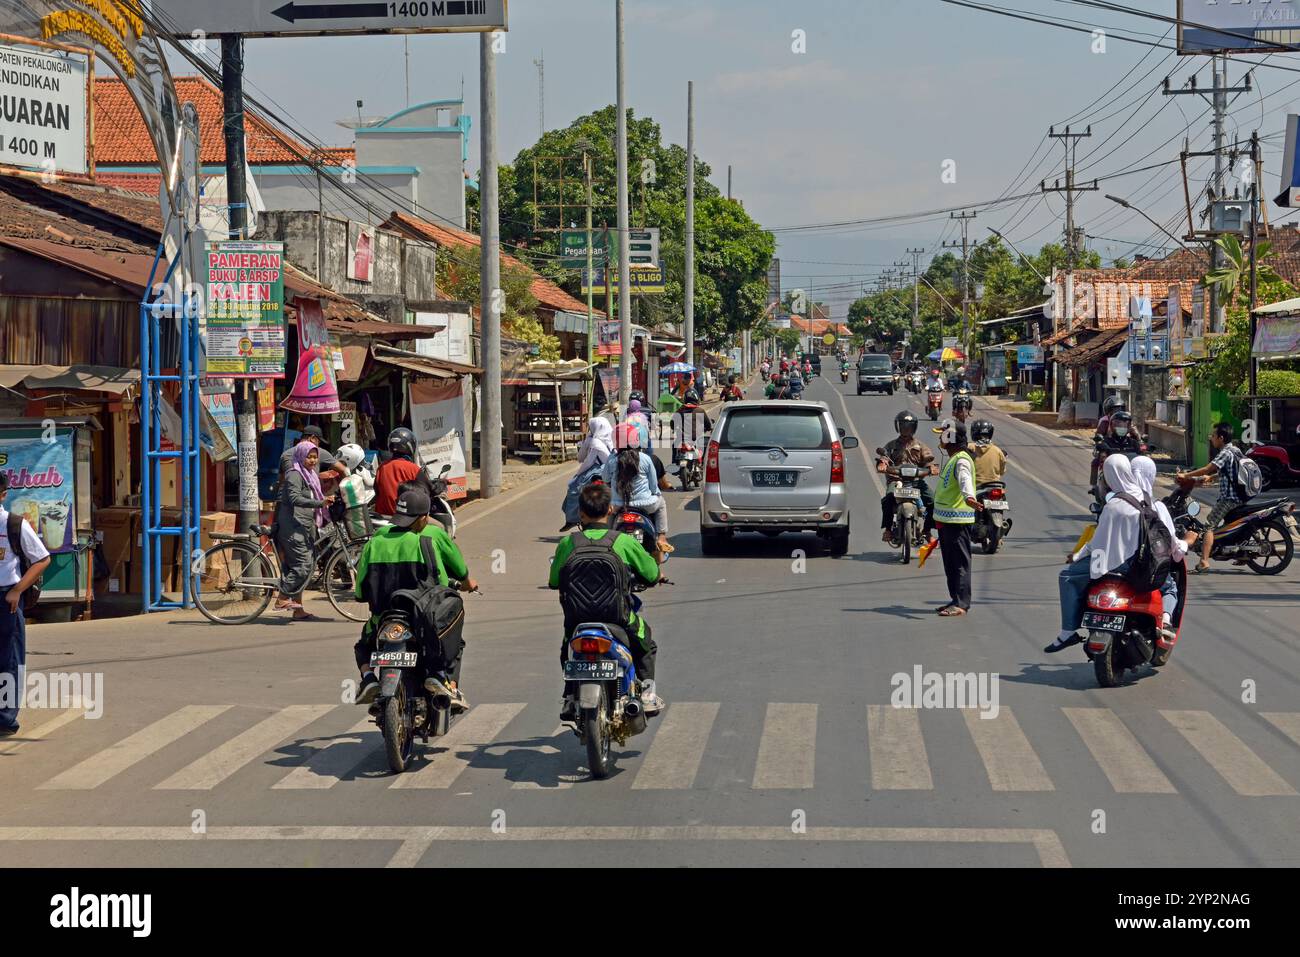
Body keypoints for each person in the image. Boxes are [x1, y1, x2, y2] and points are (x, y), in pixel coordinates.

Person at [352, 485, 478, 711]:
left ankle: (369, 677)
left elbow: (360, 593)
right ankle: (444, 681)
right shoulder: (425, 540)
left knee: (363, 646)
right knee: (454, 642)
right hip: (421, 621)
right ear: (422, 519)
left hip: (382, 621)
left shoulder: (374, 542)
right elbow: (439, 585)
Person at [550, 482, 662, 721]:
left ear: (580, 512)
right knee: (646, 644)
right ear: (610, 510)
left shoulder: (567, 544)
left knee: (566, 649)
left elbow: (553, 580)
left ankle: (570, 696)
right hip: (618, 618)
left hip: (576, 621)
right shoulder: (622, 542)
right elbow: (651, 573)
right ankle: (647, 695)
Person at [1045, 454, 1145, 652]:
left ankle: (1067, 632)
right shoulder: (1144, 498)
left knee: (1067, 576)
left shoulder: (1113, 506)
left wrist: (1076, 556)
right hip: (1139, 563)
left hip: (1115, 564)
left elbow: (1096, 543)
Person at [0, 474, 52, 737]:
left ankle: (5, 718)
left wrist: (17, 590)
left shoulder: (13, 524)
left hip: (6, 598)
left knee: (8, 658)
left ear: (3, 494)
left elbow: (42, 559)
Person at [1133, 455, 1193, 640]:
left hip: (1115, 568)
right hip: (1145, 569)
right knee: (1169, 588)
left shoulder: (1116, 502)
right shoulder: (1157, 507)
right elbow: (1173, 548)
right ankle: (1165, 621)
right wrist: (1187, 542)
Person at [1175, 422, 1244, 574]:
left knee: (1209, 526)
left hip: (1230, 498)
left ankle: (1204, 561)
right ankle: (1240, 552)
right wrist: (1211, 478)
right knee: (1227, 524)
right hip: (1238, 496)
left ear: (1221, 438)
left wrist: (1186, 475)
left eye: (1213, 436)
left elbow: (1208, 467)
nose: (1211, 439)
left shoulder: (1225, 452)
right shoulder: (1235, 449)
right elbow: (1228, 471)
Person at [933, 419, 981, 617]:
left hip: (957, 520)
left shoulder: (961, 459)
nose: (939, 437)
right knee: (950, 564)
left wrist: (969, 497)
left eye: (942, 434)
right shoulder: (953, 458)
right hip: (947, 520)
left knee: (960, 563)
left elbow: (964, 480)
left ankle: (961, 603)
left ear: (950, 436)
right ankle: (955, 598)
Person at [275, 441, 328, 620]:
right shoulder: (295, 475)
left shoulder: (309, 475)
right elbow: (295, 498)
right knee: (303, 565)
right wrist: (320, 503)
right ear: (300, 456)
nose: (312, 460)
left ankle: (298, 609)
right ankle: (282, 598)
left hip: (305, 524)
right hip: (292, 526)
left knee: (305, 566)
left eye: (315, 457)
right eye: (309, 456)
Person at [603, 441, 672, 559]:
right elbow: (654, 487)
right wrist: (655, 494)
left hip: (619, 506)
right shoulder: (646, 458)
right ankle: (661, 538)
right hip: (645, 505)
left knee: (609, 520)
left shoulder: (612, 459)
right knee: (661, 502)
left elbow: (605, 478)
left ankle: (606, 542)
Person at [878, 410, 937, 544]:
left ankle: (927, 530)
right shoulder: (891, 445)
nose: (906, 429)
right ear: (898, 427)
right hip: (897, 481)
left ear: (914, 427)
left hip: (916, 482)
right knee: (887, 500)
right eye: (903, 425)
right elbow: (884, 457)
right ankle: (887, 529)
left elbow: (929, 459)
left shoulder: (921, 446)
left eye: (909, 426)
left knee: (933, 501)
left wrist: (931, 467)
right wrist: (883, 464)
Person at [562, 417, 614, 532]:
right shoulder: (611, 438)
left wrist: (578, 474)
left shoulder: (593, 441)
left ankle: (571, 519)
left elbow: (586, 461)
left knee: (573, 488)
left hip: (596, 470)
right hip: (611, 470)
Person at [279, 424, 347, 490]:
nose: (318, 445)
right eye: (318, 441)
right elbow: (343, 470)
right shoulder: (319, 452)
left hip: (282, 499)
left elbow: (282, 480)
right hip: (303, 499)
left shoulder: (285, 454)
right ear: (313, 438)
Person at [373, 427, 423, 515]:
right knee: (440, 526)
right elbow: (427, 489)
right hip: (406, 517)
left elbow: (377, 490)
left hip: (383, 516)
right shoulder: (414, 469)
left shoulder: (382, 467)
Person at [969, 420, 1007, 487]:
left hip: (975, 486)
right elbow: (1002, 472)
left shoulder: (970, 447)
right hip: (995, 485)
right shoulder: (998, 450)